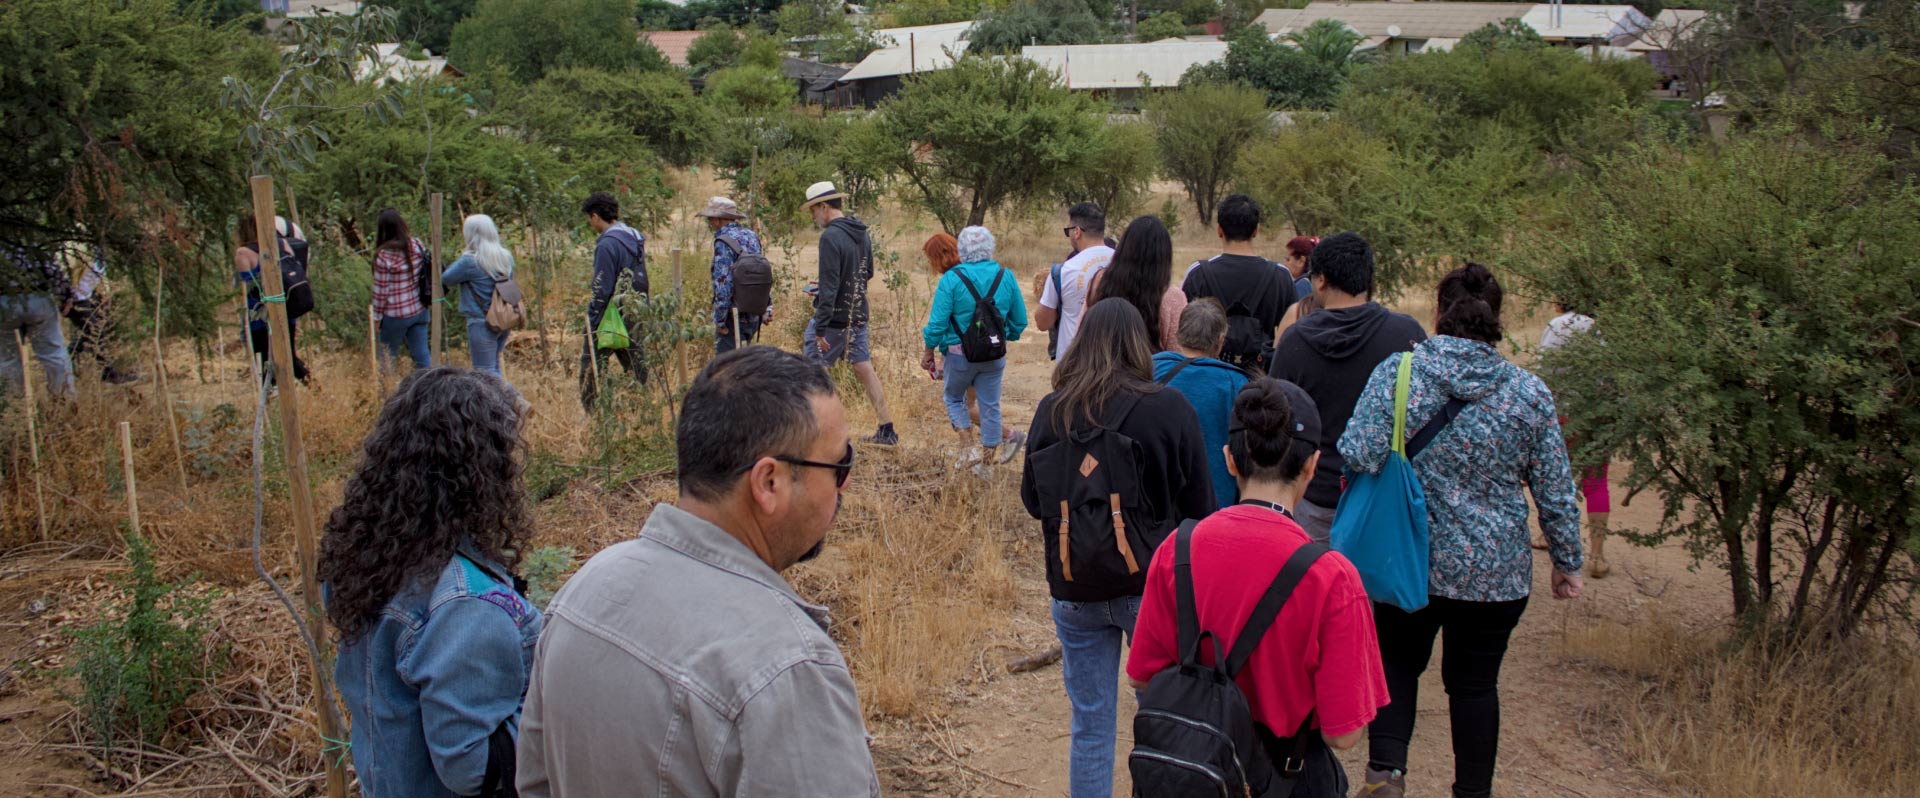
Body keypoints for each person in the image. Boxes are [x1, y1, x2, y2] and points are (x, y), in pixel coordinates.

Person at [518, 346, 880, 797]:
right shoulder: (786, 667)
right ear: (769, 483)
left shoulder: (584, 590)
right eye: (840, 464)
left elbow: (534, 783)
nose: (844, 484)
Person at [1339, 263, 1584, 798]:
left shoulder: (1398, 373)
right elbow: (1556, 490)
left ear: (1438, 312)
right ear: (1497, 318)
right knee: (1475, 687)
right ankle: (1472, 792)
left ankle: (1386, 774)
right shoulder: (1529, 392)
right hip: (1495, 576)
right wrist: (1567, 562)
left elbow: (1356, 451)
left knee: (1397, 666)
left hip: (1407, 560)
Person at [1127, 378, 1389, 797]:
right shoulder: (1333, 579)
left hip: (1194, 770)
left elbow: (1143, 678)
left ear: (1230, 459)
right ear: (1311, 465)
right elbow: (1345, 734)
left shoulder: (1177, 551)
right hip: (1287, 774)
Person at [1021, 298, 1216, 798]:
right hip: (1152, 588)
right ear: (1140, 343)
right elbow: (1201, 508)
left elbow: (1031, 500)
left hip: (1074, 584)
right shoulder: (1168, 407)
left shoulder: (1051, 410)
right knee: (1167, 720)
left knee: (1090, 724)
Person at [319, 367, 542, 798]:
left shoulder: (367, 555)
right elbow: (472, 767)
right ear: (477, 472)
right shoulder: (466, 602)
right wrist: (554, 707)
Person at [1268, 233, 1426, 542]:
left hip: (1312, 495)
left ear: (1321, 280)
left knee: (1312, 587)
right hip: (1380, 496)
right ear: (1368, 280)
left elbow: (1277, 418)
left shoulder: (1295, 340)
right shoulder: (1405, 335)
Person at [921, 226, 1028, 471]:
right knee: (990, 407)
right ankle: (987, 467)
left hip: (959, 356)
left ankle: (968, 448)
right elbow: (1020, 321)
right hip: (994, 355)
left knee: (954, 397)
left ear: (962, 249)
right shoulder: (1006, 275)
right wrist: (1003, 336)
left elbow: (937, 324)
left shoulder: (952, 278)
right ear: (990, 247)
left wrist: (929, 351)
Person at [802, 180, 897, 445]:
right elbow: (866, 272)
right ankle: (886, 428)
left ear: (823, 206)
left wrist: (821, 327)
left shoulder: (831, 236)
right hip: (857, 313)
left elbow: (831, 287)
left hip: (833, 319)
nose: (813, 216)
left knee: (812, 371)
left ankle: (819, 433)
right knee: (864, 368)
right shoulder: (861, 231)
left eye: (813, 210)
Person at [1535, 302, 1610, 578]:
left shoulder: (1557, 325)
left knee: (1555, 478)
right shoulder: (1600, 330)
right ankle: (1597, 556)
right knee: (1597, 481)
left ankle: (1551, 539)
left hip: (1563, 412)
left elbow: (1544, 371)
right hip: (1595, 412)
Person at [1182, 194, 1297, 374]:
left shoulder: (1198, 273)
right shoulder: (1281, 276)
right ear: (1256, 230)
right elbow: (1292, 336)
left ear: (1220, 230)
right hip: (1260, 380)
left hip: (1208, 374)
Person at [1153, 299, 1249, 509]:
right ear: (1220, 340)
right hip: (1213, 500)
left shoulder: (1152, 367)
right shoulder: (1236, 383)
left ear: (1179, 332)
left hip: (1157, 495)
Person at [579, 192, 648, 408]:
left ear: (595, 216)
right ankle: (646, 406)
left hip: (612, 312)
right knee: (636, 362)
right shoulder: (634, 237)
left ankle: (591, 412)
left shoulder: (607, 244)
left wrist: (593, 319)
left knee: (591, 363)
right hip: (636, 308)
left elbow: (602, 287)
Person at [1087, 215, 1185, 351]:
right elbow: (1177, 353)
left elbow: (1082, 332)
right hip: (1152, 371)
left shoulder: (1100, 280)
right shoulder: (1173, 297)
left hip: (1101, 367)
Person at [235, 214, 310, 387]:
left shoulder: (243, 253)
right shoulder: (282, 243)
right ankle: (314, 388)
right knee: (288, 356)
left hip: (260, 316)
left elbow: (248, 284)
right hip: (286, 309)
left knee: (263, 359)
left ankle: (271, 396)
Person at [1036, 202, 1114, 364]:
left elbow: (1042, 323)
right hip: (1114, 361)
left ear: (1077, 232)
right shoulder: (1124, 263)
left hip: (1073, 365)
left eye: (1068, 231)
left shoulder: (1064, 271)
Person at [441, 214, 515, 384]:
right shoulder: (505, 257)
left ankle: (515, 402)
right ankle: (506, 406)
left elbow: (447, 279)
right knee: (494, 367)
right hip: (503, 319)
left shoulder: (471, 261)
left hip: (481, 321)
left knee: (485, 373)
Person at [1, 244, 77, 398]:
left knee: (6, 359)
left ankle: (15, 407)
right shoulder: (30, 239)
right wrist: (65, 296)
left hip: (3, 303)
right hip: (38, 297)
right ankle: (64, 398)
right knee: (53, 352)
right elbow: (52, 269)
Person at [700, 196, 771, 354]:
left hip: (734, 317)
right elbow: (759, 272)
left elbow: (723, 284)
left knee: (727, 369)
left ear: (718, 220)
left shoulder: (723, 242)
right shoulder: (751, 236)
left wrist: (720, 320)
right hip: (754, 312)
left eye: (711, 219)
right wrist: (767, 308)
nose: (710, 223)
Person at [61, 246, 136, 385]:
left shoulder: (98, 247)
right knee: (94, 331)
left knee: (89, 333)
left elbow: (99, 272)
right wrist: (67, 298)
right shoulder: (76, 245)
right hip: (75, 298)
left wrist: (104, 292)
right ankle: (107, 373)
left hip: (88, 296)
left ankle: (66, 362)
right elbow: (68, 269)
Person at [370, 208, 432, 372]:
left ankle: (387, 393)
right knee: (422, 355)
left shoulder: (383, 256)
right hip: (419, 309)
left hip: (395, 314)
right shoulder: (417, 244)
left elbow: (380, 292)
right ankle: (430, 390)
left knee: (388, 356)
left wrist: (376, 319)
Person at [1282, 235, 1319, 307]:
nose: (1284, 264)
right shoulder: (1316, 282)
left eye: (1288, 259)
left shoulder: (1301, 287)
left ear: (1301, 261)